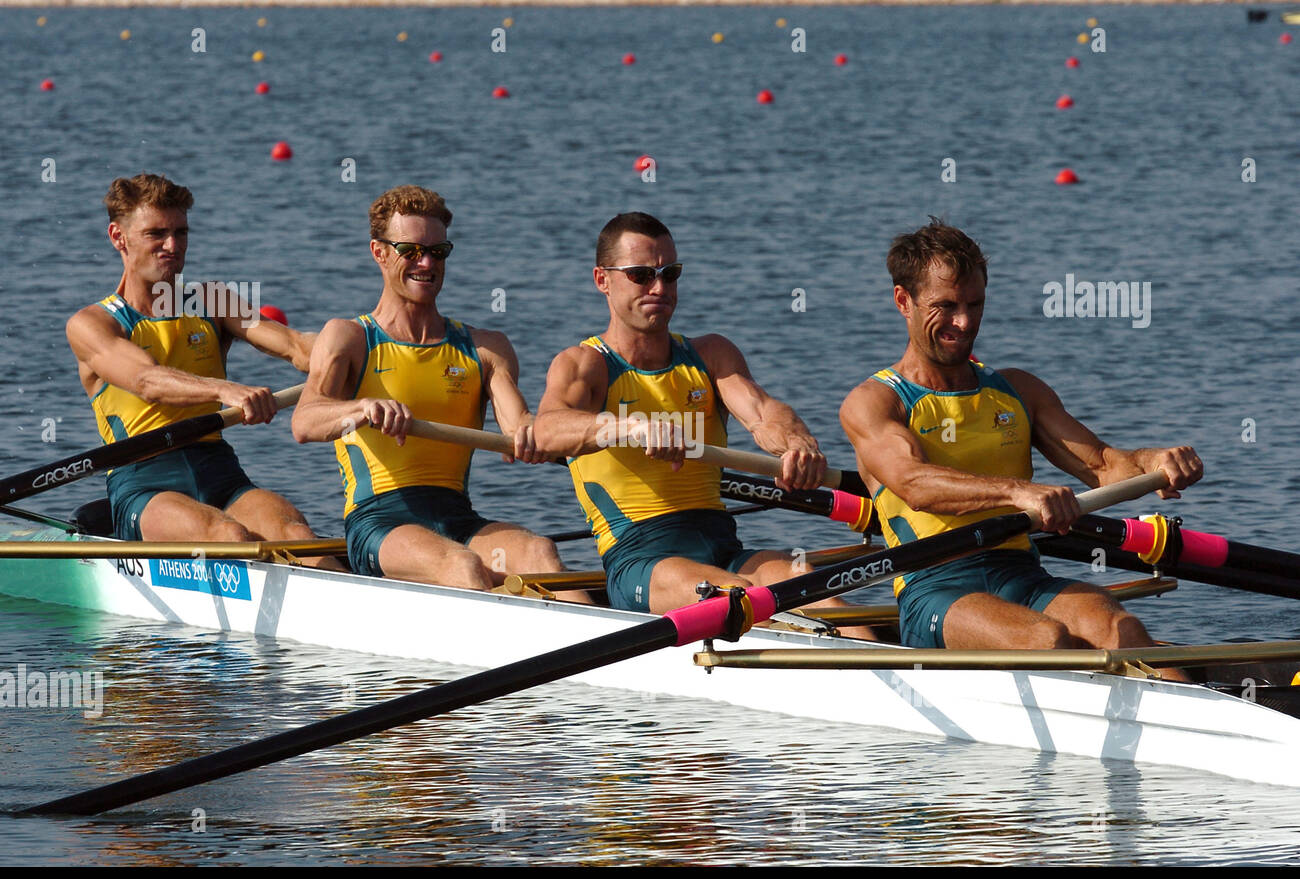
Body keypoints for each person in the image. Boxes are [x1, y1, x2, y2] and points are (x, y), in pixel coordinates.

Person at [839, 218, 1202, 660]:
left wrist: (1155, 464)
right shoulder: (874, 403)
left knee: (1120, 629)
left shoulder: (1017, 391)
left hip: (1021, 576)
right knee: (1044, 640)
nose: (964, 320)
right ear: (904, 301)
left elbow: (1105, 466)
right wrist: (1017, 491)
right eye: (946, 305)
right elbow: (915, 485)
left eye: (975, 304)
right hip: (934, 587)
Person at [534, 211, 872, 633]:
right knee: (741, 598)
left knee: (823, 597)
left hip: (724, 546)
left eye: (669, 273)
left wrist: (797, 444)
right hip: (642, 560)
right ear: (602, 279)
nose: (659, 288)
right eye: (641, 275)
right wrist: (632, 427)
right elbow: (546, 431)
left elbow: (764, 413)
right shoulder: (586, 364)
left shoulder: (710, 355)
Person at [291, 185, 575, 592]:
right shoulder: (349, 338)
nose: (426, 263)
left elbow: (517, 426)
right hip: (380, 525)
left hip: (459, 519)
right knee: (463, 567)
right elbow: (304, 422)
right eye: (411, 251)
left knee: (539, 554)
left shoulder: (485, 347)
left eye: (438, 252)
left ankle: (608, 648)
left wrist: (533, 435)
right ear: (379, 252)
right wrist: (362, 407)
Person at [66, 172, 337, 565]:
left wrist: (359, 349)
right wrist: (224, 390)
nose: (172, 246)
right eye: (156, 234)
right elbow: (147, 381)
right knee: (228, 536)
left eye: (181, 232)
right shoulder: (93, 324)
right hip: (144, 484)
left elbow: (297, 347)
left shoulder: (213, 301)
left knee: (297, 537)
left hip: (220, 472)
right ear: (118, 237)